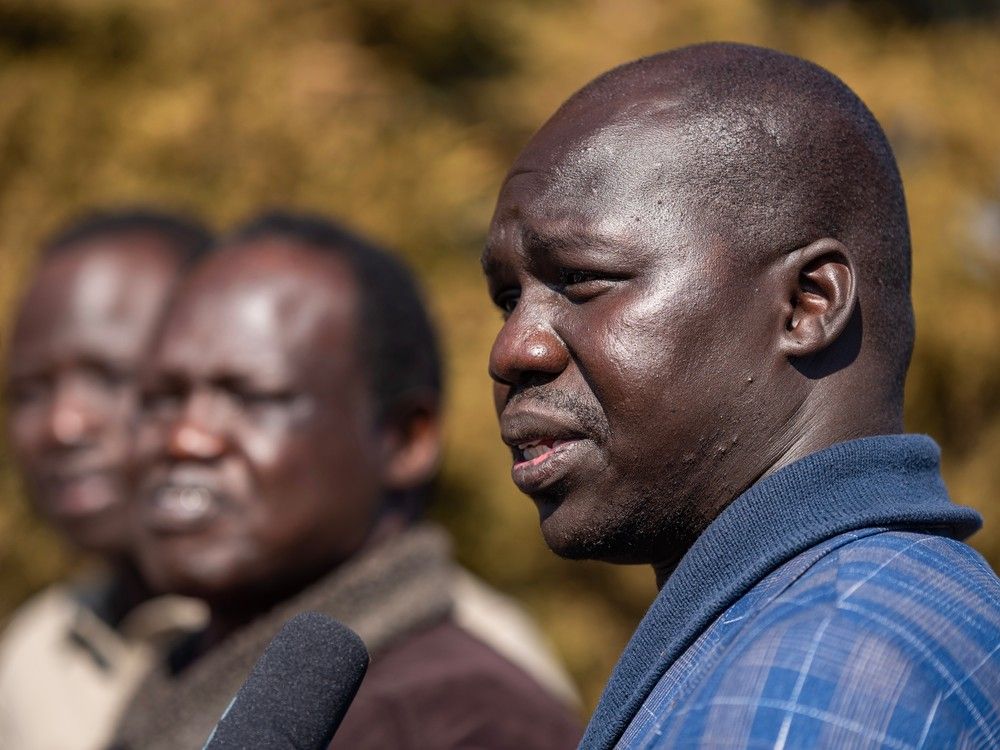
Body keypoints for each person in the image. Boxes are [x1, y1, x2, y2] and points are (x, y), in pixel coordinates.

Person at [483, 42, 1000, 749]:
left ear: (807, 305)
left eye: (581, 279)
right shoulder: (876, 610)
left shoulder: (823, 667)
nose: (514, 349)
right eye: (508, 298)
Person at [112, 212, 581, 750]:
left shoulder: (472, 725)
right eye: (161, 398)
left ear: (406, 440)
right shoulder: (169, 676)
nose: (185, 438)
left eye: (251, 398)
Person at [0, 209, 212, 750]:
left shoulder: (369, 647)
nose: (62, 425)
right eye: (27, 392)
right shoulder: (37, 656)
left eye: (111, 377)